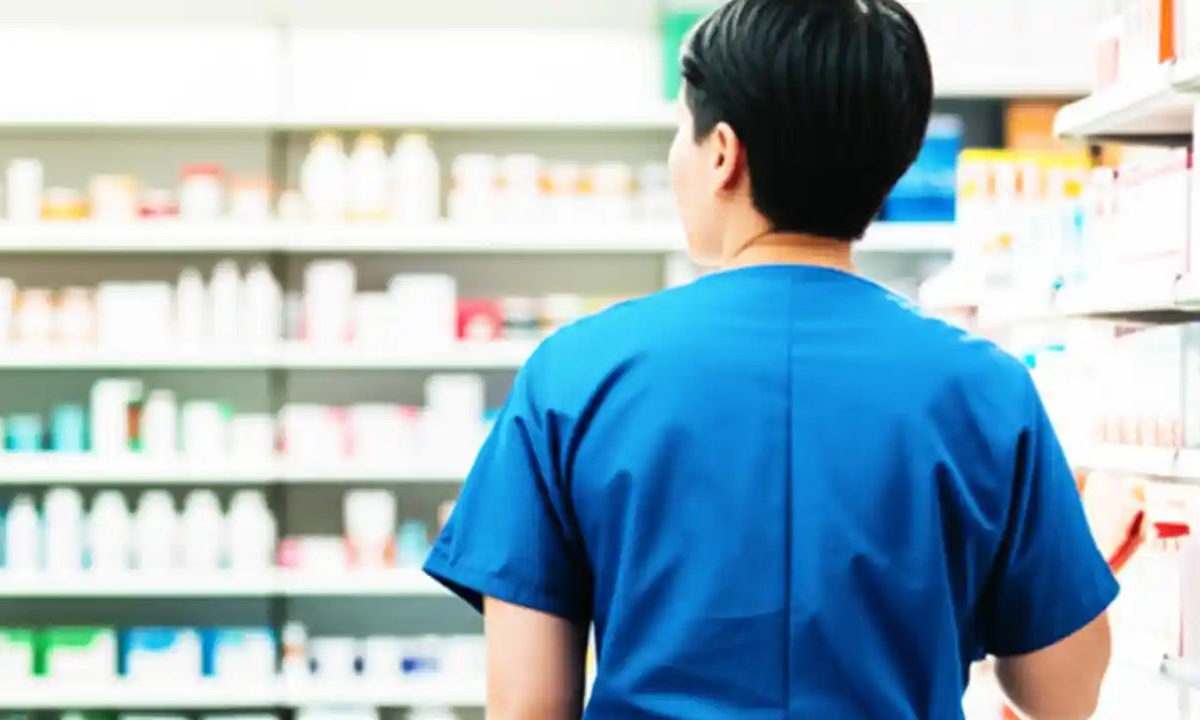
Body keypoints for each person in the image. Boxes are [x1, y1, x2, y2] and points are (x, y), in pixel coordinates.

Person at [423, 0, 1117, 718]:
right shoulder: (986, 390)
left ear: (722, 152)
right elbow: (1063, 695)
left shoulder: (575, 376)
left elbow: (529, 706)